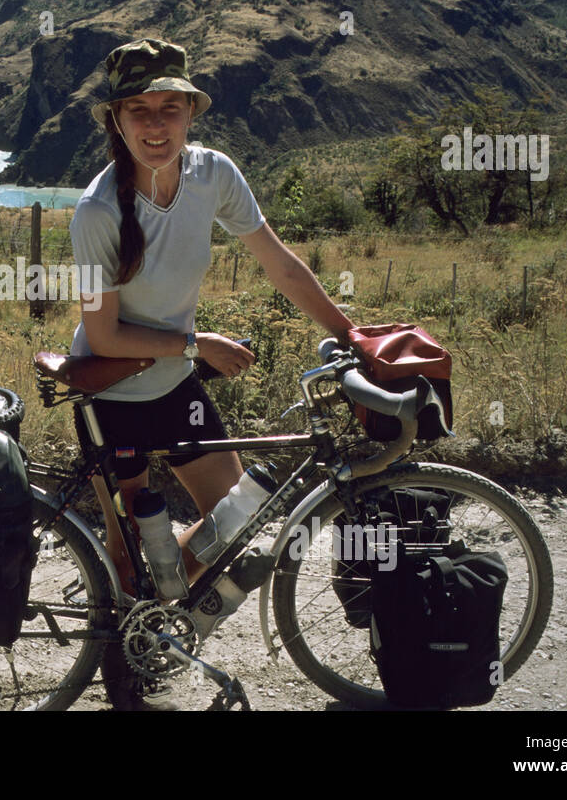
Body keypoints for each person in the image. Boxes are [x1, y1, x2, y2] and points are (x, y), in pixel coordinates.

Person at [69, 37, 354, 595]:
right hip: (111, 391)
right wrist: (198, 345)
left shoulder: (214, 175)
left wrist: (351, 333)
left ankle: (159, 607)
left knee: (237, 517)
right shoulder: (95, 212)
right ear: (117, 121)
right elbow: (103, 335)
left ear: (190, 113)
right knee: (126, 553)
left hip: (174, 386)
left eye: (169, 109)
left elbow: (282, 266)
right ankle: (128, 646)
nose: (156, 125)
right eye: (139, 110)